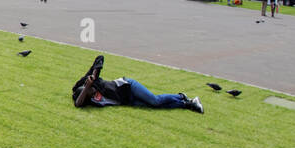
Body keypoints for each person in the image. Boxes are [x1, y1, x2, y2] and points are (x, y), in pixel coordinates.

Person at [72, 55, 203, 112]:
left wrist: (93, 77)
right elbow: (78, 104)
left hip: (128, 86)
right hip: (127, 100)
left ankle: (181, 97)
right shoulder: (89, 100)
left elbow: (100, 58)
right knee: (155, 107)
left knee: (155, 100)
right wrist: (87, 88)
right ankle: (187, 104)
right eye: (91, 92)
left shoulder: (91, 81)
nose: (94, 91)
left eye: (92, 89)